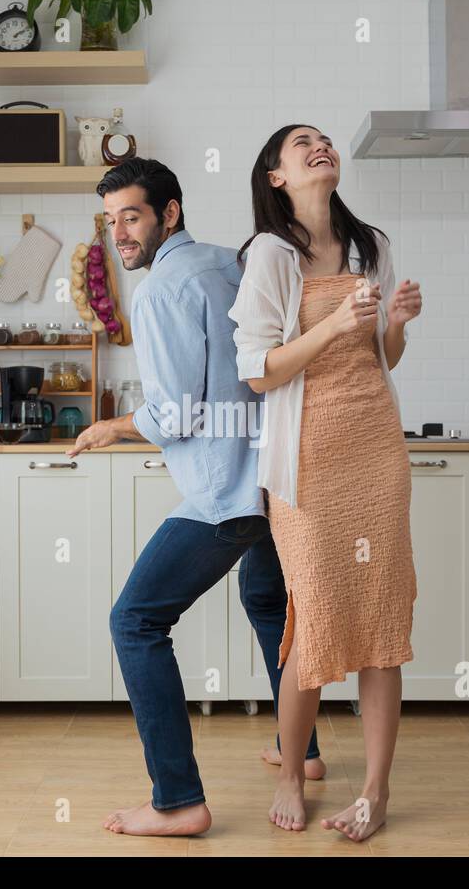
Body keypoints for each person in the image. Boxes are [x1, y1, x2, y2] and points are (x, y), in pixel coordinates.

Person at [67, 157, 323, 837]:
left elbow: (175, 413)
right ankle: (306, 750)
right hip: (275, 476)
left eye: (134, 215)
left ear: (168, 213)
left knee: (136, 622)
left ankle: (178, 801)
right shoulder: (230, 262)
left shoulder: (160, 292)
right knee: (267, 599)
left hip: (224, 492)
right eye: (112, 218)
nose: (121, 232)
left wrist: (111, 427)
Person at [228, 124, 422, 841]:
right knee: (311, 611)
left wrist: (393, 325)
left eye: (325, 140)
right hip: (307, 462)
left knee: (379, 622)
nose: (320, 146)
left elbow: (383, 360)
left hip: (375, 450)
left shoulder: (371, 243)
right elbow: (259, 370)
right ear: (276, 175)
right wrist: (337, 322)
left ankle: (376, 791)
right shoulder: (272, 256)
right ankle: (291, 769)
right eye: (301, 143)